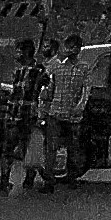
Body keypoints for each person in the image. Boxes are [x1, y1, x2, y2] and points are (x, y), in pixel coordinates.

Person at [41, 33, 92, 188]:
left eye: (75, 47)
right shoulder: (56, 66)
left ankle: (71, 178)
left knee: (73, 147)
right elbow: (48, 88)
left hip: (74, 114)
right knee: (52, 148)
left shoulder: (84, 67)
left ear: (79, 49)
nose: (72, 50)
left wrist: (81, 106)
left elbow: (87, 89)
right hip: (55, 112)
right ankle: (49, 181)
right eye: (70, 47)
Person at [0, 43, 41, 194]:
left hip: (17, 115)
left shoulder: (27, 71)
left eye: (18, 51)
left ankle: (4, 181)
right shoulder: (40, 70)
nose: (16, 54)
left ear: (26, 53)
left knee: (8, 149)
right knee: (29, 149)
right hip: (27, 116)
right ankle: (28, 180)